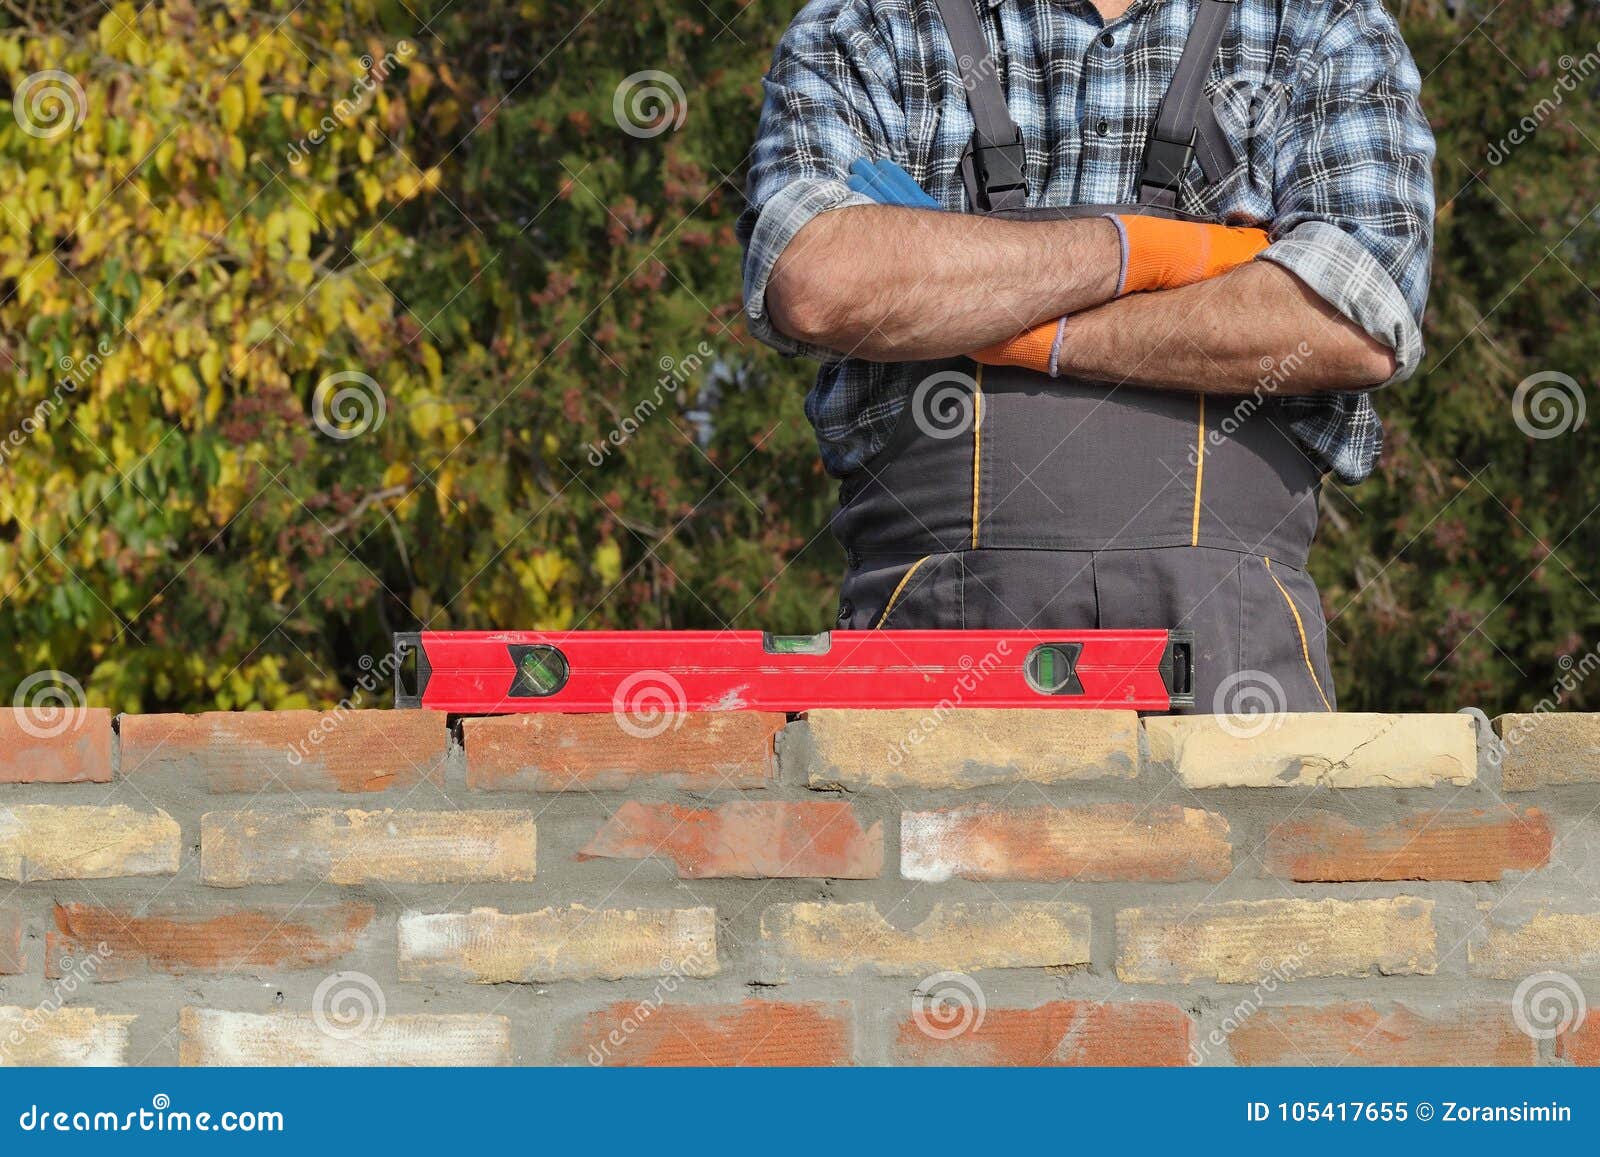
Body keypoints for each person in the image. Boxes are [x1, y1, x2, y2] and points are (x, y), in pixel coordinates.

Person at [737, 0, 1435, 712]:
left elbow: (1355, 311)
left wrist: (1002, 317)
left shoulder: (1318, 22)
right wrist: (1153, 252)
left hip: (1236, 677)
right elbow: (819, 281)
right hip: (929, 674)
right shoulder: (869, 25)